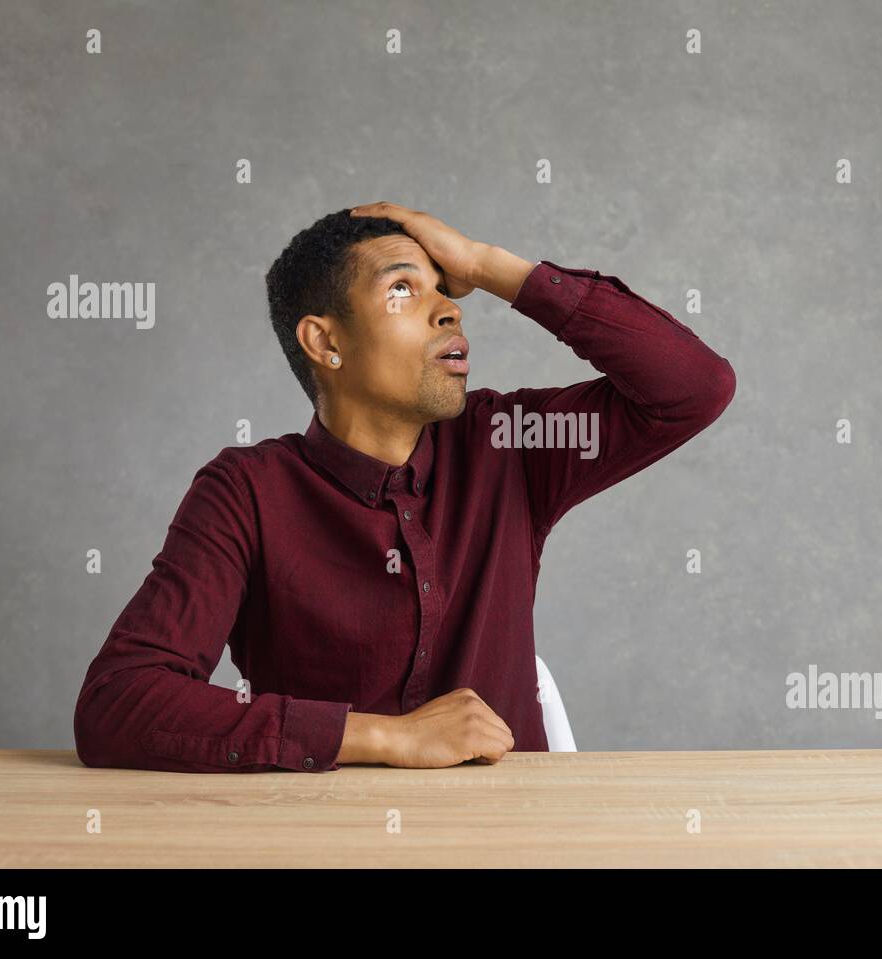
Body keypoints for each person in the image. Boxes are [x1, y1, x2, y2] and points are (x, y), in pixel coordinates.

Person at [73, 201, 735, 772]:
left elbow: (693, 388)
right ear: (324, 342)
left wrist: (488, 265)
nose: (450, 309)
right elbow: (120, 700)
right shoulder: (246, 492)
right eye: (404, 289)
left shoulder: (508, 446)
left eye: (447, 290)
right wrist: (384, 735)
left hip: (515, 848)